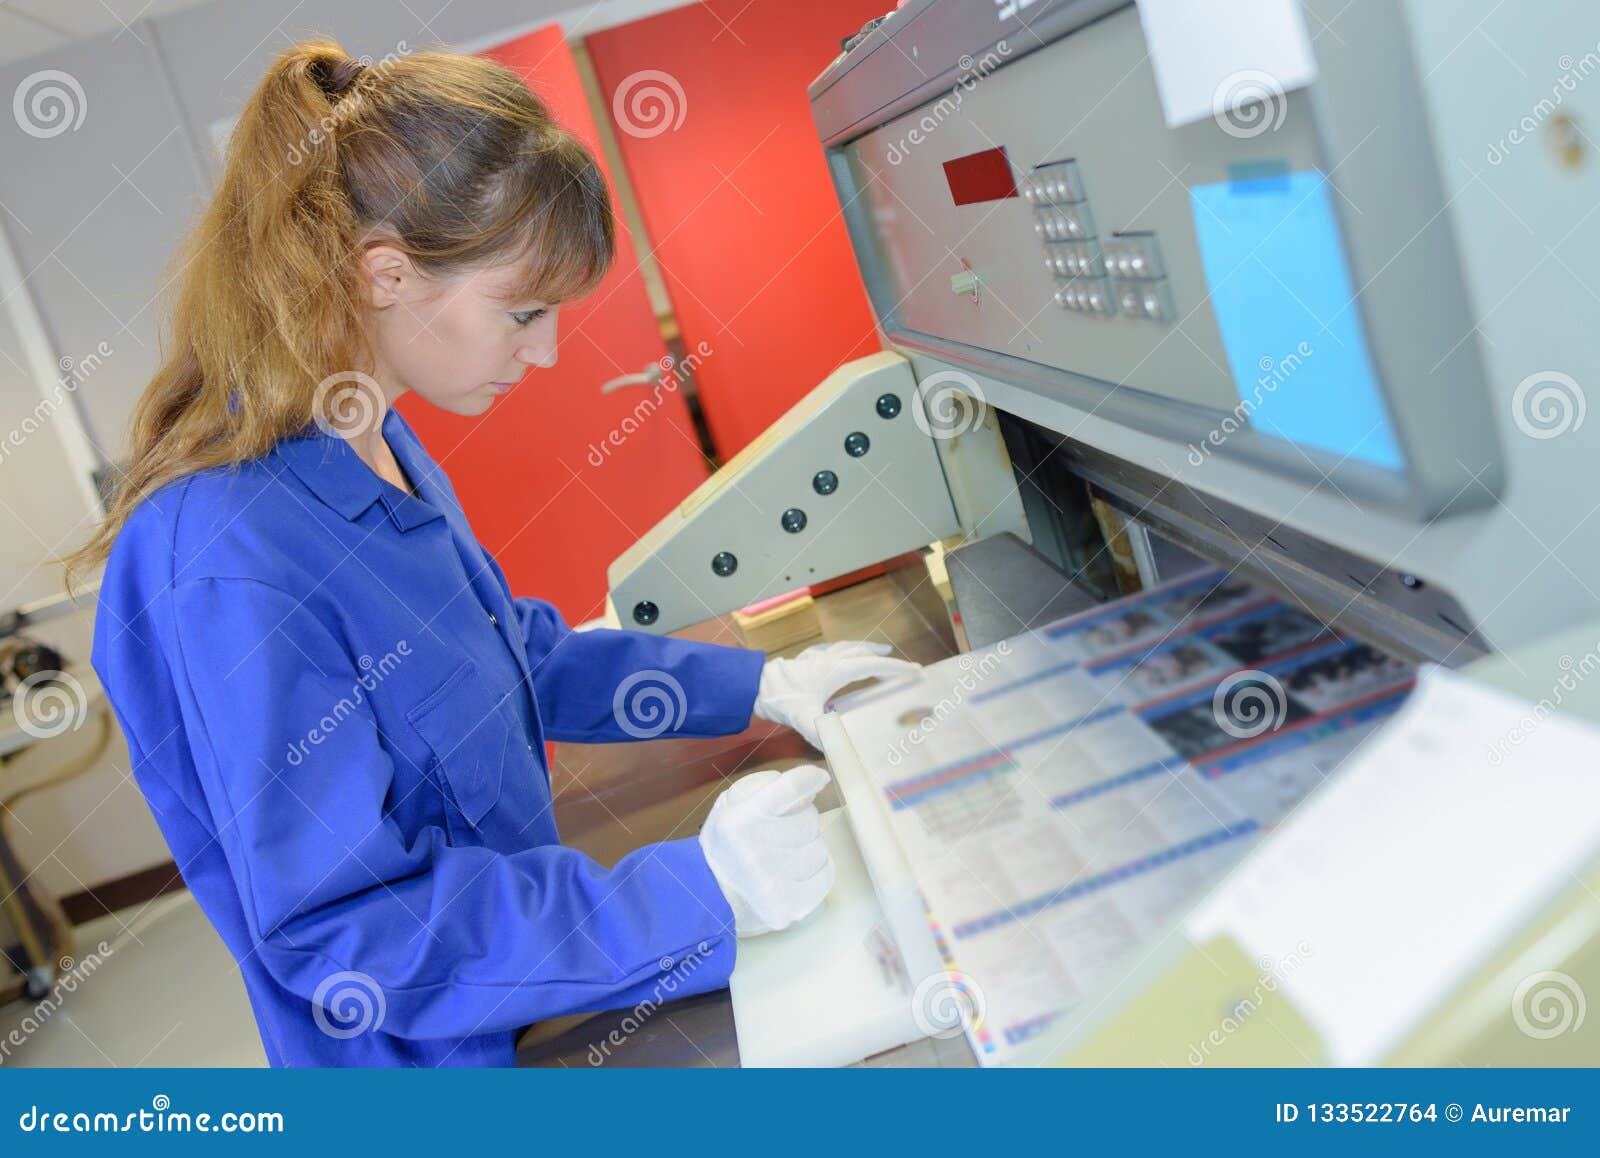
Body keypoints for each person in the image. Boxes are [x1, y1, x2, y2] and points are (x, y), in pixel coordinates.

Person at [70, 40, 918, 1067]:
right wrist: (692, 894)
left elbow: (510, 655)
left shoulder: (370, 441)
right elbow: (348, 930)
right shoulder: (225, 558)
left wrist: (761, 684)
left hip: (534, 978)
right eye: (522, 312)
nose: (546, 350)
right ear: (385, 273)